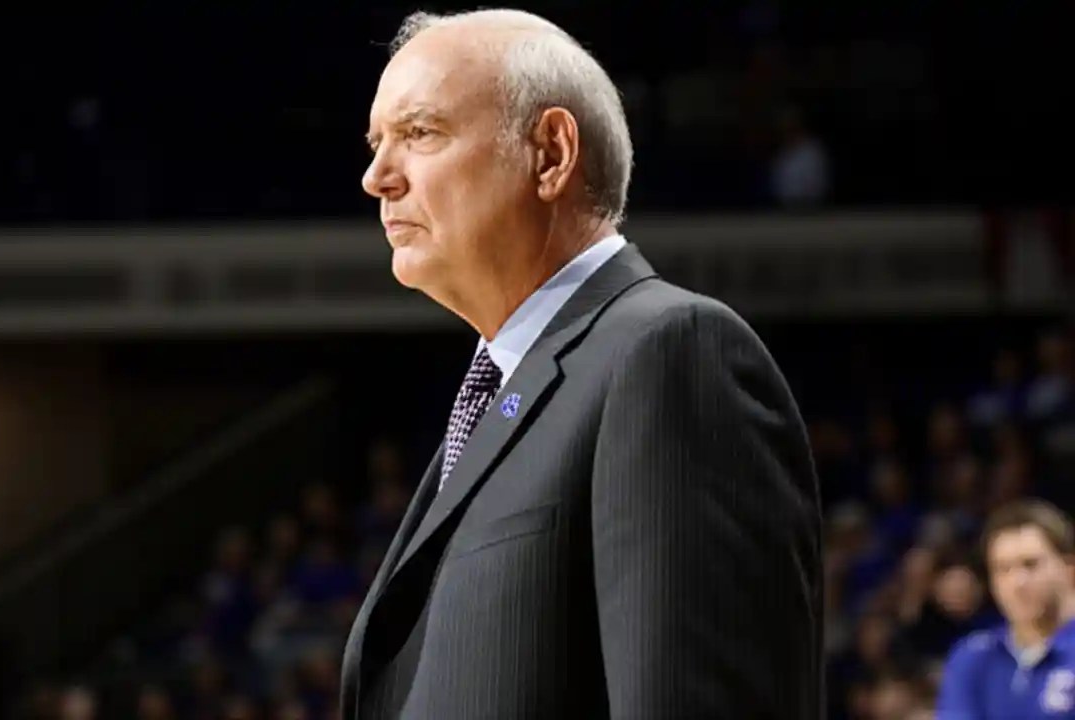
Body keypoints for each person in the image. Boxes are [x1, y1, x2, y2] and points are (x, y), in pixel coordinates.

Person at [339, 8, 822, 719]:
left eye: (419, 134)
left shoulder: (668, 355)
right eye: (378, 143)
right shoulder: (505, 391)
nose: (376, 178)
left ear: (552, 153)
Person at [937, 499, 1075, 718]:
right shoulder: (972, 658)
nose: (1017, 582)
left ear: (1069, 570)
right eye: (1003, 569)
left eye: (1030, 564)